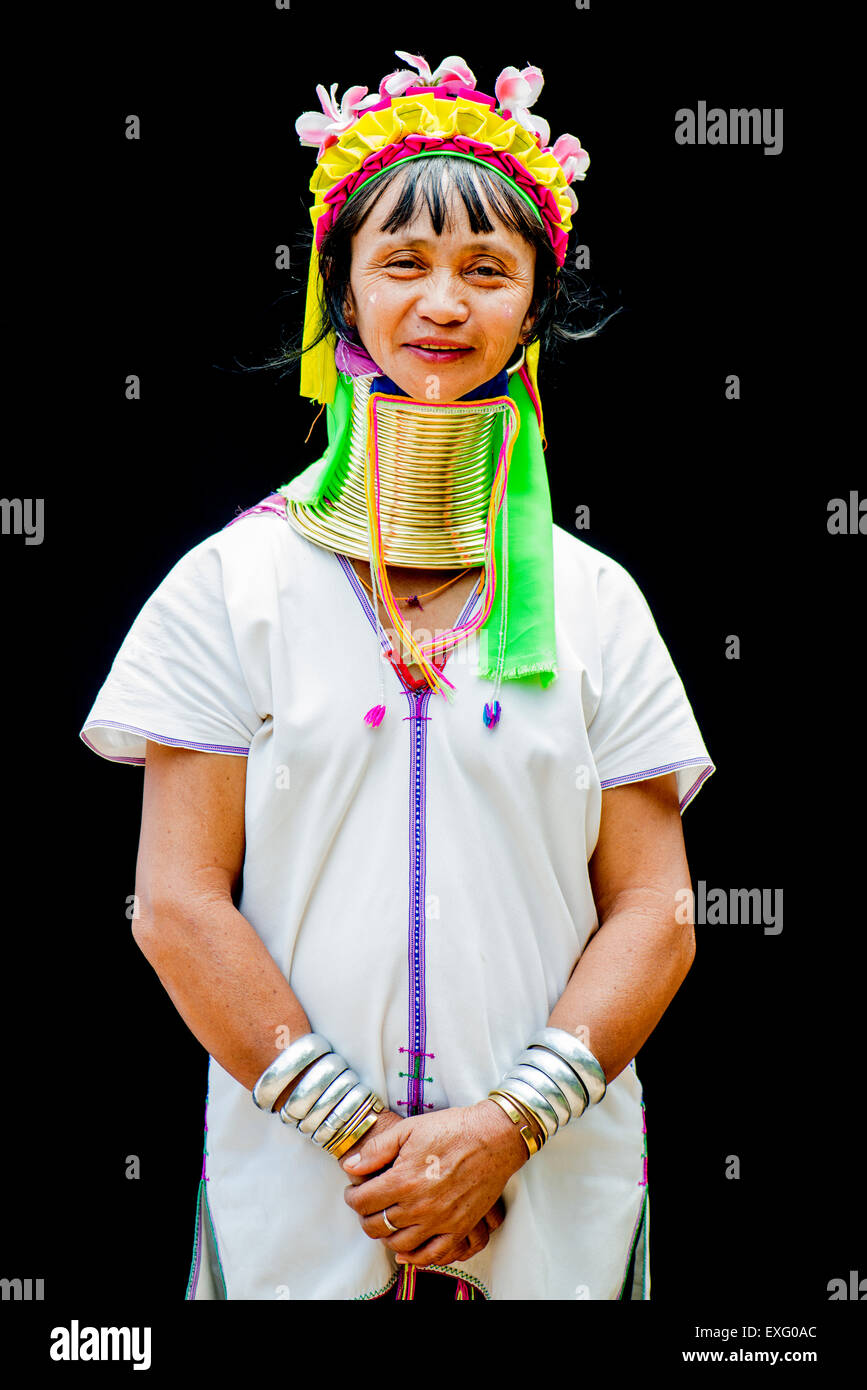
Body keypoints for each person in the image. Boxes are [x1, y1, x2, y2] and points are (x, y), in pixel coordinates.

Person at [79, 50, 715, 1301]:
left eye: (488, 268)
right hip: (306, 1202)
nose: (443, 300)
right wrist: (370, 1147)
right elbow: (177, 907)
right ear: (344, 296)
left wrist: (502, 1133)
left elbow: (658, 912)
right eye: (403, 264)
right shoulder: (232, 587)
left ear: (534, 304)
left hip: (550, 1199)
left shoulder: (598, 604)